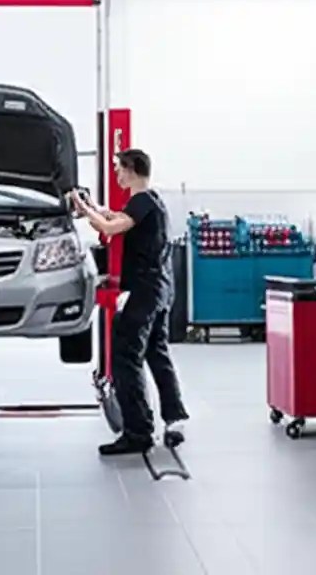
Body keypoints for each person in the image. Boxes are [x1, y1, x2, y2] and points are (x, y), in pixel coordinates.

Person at [70, 148, 190, 455]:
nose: (117, 174)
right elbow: (116, 217)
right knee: (156, 352)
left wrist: (85, 211)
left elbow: (109, 228)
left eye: (119, 169)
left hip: (144, 292)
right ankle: (175, 419)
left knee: (125, 356)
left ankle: (138, 432)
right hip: (160, 290)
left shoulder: (142, 201)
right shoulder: (152, 201)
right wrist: (90, 207)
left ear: (133, 169)